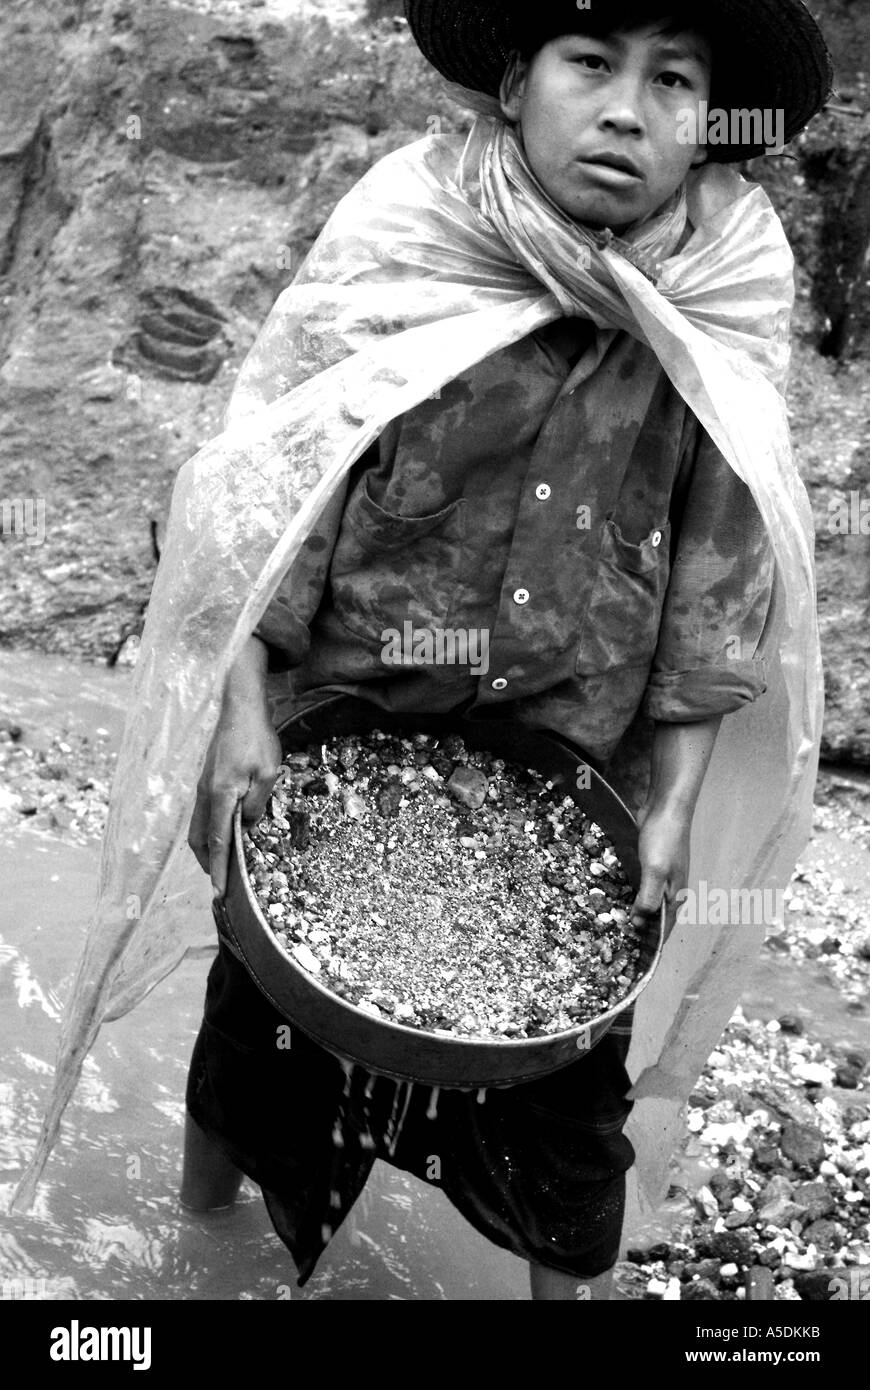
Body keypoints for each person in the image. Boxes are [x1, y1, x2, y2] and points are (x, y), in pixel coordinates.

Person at [176, 0, 827, 1299]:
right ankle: (190, 1257)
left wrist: (676, 803)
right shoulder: (409, 237)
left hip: (569, 776)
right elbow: (280, 490)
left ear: (709, 122)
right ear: (517, 81)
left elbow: (716, 577)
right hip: (338, 741)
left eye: (673, 80)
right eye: (591, 64)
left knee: (560, 1143)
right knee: (251, 1051)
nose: (628, 108)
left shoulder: (722, 289)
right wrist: (244, 699)